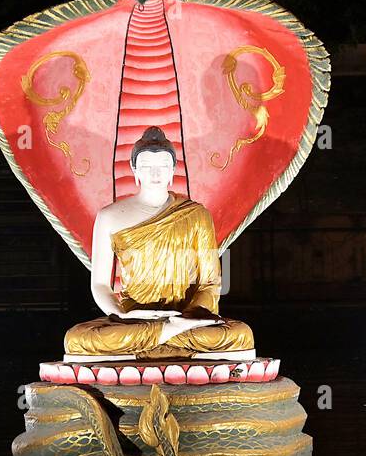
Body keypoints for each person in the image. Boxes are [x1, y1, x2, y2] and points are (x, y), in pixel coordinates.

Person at [63, 126, 255, 360]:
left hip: (185, 319)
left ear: (173, 170)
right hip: (135, 318)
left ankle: (162, 334)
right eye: (146, 167)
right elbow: (100, 285)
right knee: (77, 338)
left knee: (240, 334)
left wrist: (187, 318)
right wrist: (121, 316)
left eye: (163, 166)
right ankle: (165, 335)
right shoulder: (109, 216)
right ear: (135, 170)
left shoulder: (196, 214)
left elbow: (210, 283)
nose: (155, 174)